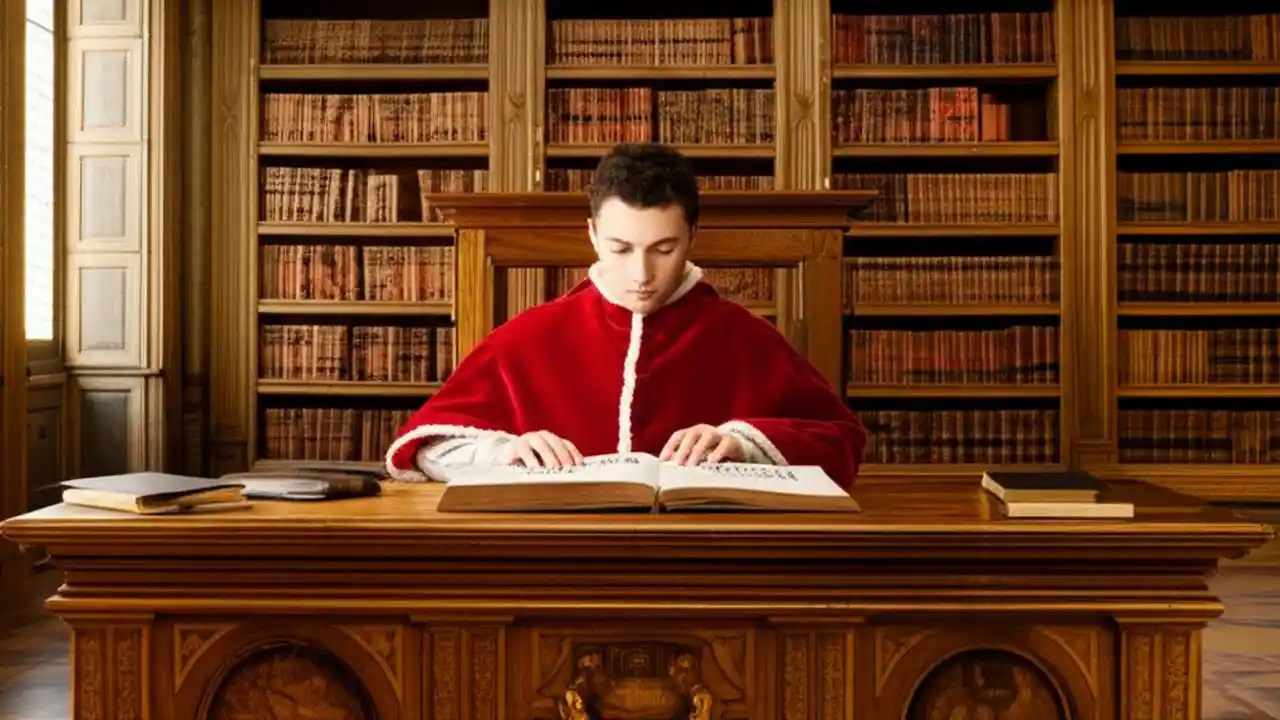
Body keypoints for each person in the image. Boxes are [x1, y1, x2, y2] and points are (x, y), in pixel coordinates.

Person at [384, 142, 868, 487]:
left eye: (663, 248)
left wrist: (741, 440)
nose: (642, 273)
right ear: (593, 234)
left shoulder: (747, 337)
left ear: (692, 235)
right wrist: (502, 451)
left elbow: (840, 440)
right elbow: (422, 448)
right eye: (620, 247)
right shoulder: (527, 336)